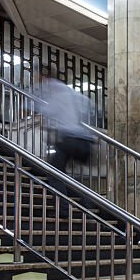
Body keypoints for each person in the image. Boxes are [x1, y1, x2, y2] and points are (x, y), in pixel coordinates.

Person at [36, 69, 95, 208]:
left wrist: (40, 118)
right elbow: (86, 107)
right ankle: (88, 202)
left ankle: (63, 208)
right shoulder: (71, 93)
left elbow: (47, 111)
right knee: (62, 173)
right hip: (83, 141)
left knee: (54, 173)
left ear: (46, 78)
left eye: (40, 79)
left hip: (70, 140)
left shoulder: (57, 92)